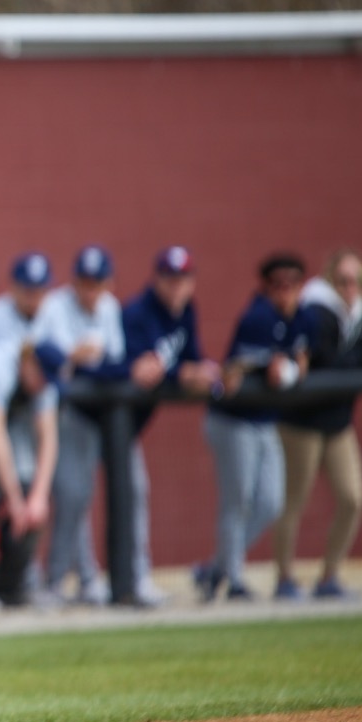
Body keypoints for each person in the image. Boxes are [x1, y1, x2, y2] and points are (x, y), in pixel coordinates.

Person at [199, 254, 314, 601]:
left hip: (264, 421)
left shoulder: (303, 318)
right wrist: (286, 369)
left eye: (292, 284)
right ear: (266, 287)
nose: (285, 292)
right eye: (277, 285)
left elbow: (302, 361)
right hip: (233, 421)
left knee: (271, 500)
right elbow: (267, 374)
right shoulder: (257, 318)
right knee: (238, 501)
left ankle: (215, 568)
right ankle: (231, 578)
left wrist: (295, 367)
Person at [120, 247, 221, 605]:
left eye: (183, 279)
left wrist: (199, 371)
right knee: (83, 497)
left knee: (133, 494)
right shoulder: (137, 313)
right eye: (169, 278)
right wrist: (183, 373)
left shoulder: (185, 312)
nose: (176, 286)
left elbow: (189, 360)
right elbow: (141, 367)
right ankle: (94, 580)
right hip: (100, 419)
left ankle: (136, 577)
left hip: (130, 425)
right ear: (157, 278)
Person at [35, 245, 130, 605]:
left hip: (98, 415)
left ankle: (87, 575)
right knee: (71, 495)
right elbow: (51, 359)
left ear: (108, 284)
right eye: (84, 283)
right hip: (59, 414)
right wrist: (77, 356)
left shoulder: (109, 307)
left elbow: (115, 360)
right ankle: (56, 579)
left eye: (97, 283)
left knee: (84, 495)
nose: (90, 291)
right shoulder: (55, 305)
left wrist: (84, 359)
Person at [272, 249, 362, 600]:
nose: (350, 288)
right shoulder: (316, 311)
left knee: (352, 497)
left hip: (338, 423)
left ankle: (329, 575)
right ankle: (284, 577)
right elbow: (326, 361)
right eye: (343, 280)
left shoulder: (356, 317)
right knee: (293, 501)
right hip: (302, 423)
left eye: (356, 280)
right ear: (330, 280)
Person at [0, 253, 61, 605]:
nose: (35, 297)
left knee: (32, 509)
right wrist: (14, 499)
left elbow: (49, 433)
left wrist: (36, 497)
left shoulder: (41, 368)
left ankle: (13, 589)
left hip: (13, 430)